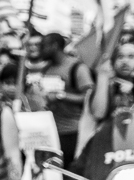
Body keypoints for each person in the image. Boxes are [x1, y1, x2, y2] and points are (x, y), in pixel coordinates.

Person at [27, 31, 92, 159]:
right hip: (51, 132)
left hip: (74, 131)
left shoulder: (77, 68)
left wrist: (60, 96)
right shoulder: (46, 69)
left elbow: (89, 97)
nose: (40, 50)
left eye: (43, 46)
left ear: (55, 45)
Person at [87, 38, 134, 124]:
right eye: (120, 57)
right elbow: (98, 114)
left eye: (131, 56)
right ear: (113, 62)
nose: (125, 61)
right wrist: (102, 77)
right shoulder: (107, 86)